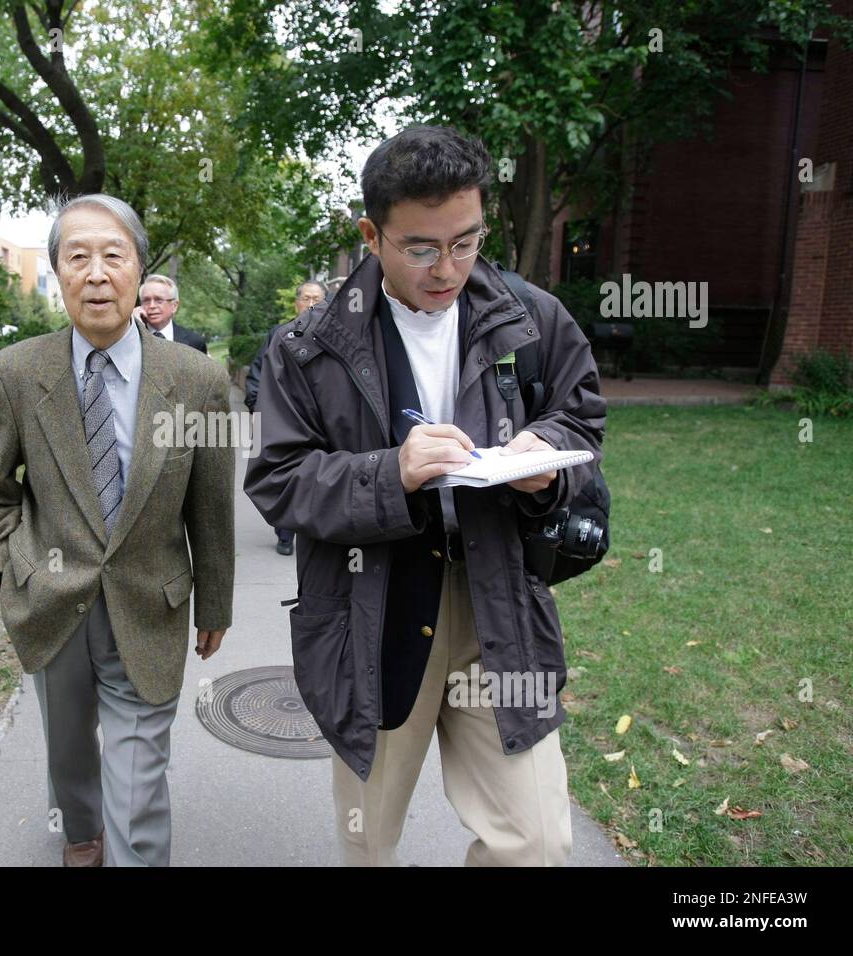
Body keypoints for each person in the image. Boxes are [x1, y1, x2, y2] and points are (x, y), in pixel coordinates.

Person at [244, 125, 606, 866]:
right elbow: (279, 481)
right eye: (422, 248)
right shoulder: (306, 347)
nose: (448, 268)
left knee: (537, 843)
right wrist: (391, 473)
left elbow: (582, 417)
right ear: (371, 234)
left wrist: (549, 462)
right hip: (368, 616)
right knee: (369, 845)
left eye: (466, 242)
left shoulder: (533, 317)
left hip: (498, 604)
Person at [0, 194, 235, 866]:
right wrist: (13, 572)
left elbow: (210, 504)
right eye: (76, 256)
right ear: (57, 273)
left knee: (140, 771)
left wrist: (218, 602)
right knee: (68, 746)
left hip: (151, 601)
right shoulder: (15, 374)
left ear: (139, 270)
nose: (95, 273)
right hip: (52, 598)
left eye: (112, 255)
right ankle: (82, 833)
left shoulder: (197, 379)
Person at [244, 279, 327, 555]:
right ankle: (284, 533)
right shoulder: (279, 335)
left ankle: (309, 529)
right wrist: (259, 409)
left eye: (318, 298)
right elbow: (257, 375)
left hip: (319, 423)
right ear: (296, 303)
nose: (312, 303)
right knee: (285, 473)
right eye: (306, 298)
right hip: (282, 419)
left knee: (314, 474)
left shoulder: (334, 337)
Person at [135, 274, 208, 352]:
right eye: (146, 300)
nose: (152, 306)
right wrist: (134, 325)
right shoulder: (132, 338)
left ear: (174, 306)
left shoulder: (195, 342)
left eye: (159, 300)